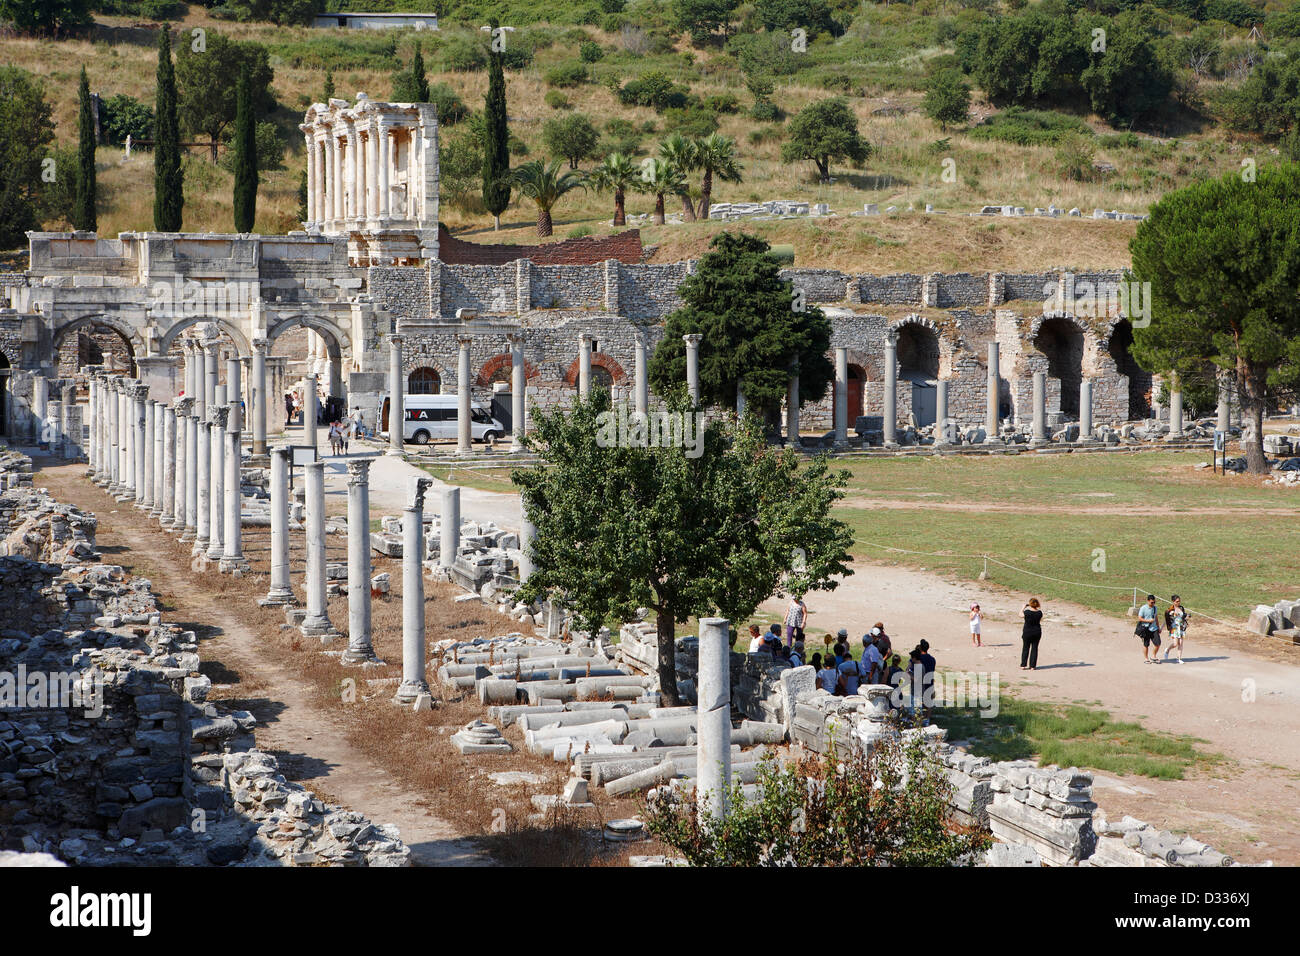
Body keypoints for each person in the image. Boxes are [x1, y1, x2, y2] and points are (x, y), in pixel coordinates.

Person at [1163, 595, 1189, 664]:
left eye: (1179, 601)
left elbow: (1183, 617)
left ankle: (1179, 658)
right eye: (1177, 601)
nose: (1178, 603)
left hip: (1181, 628)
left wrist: (1187, 617)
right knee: (1175, 644)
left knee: (1180, 643)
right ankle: (1167, 650)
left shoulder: (1181, 608)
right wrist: (1173, 614)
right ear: (1173, 602)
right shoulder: (1171, 609)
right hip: (1174, 628)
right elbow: (1168, 617)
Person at [1136, 593, 1162, 664]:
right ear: (1148, 601)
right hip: (1146, 629)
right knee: (1146, 644)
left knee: (1158, 643)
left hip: (1154, 629)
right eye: (1151, 602)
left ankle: (1153, 656)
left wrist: (1158, 627)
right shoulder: (1143, 608)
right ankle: (1146, 658)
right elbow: (1140, 618)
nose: (1153, 603)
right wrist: (1148, 621)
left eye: (1154, 602)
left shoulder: (1155, 608)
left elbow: (1156, 618)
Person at [1021, 598, 1043, 670]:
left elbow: (1020, 614)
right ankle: (1032, 666)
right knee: (1034, 648)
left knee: (1025, 648)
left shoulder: (1027, 612)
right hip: (1037, 632)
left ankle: (1023, 665)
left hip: (1027, 631)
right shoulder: (1039, 613)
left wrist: (1023, 607)